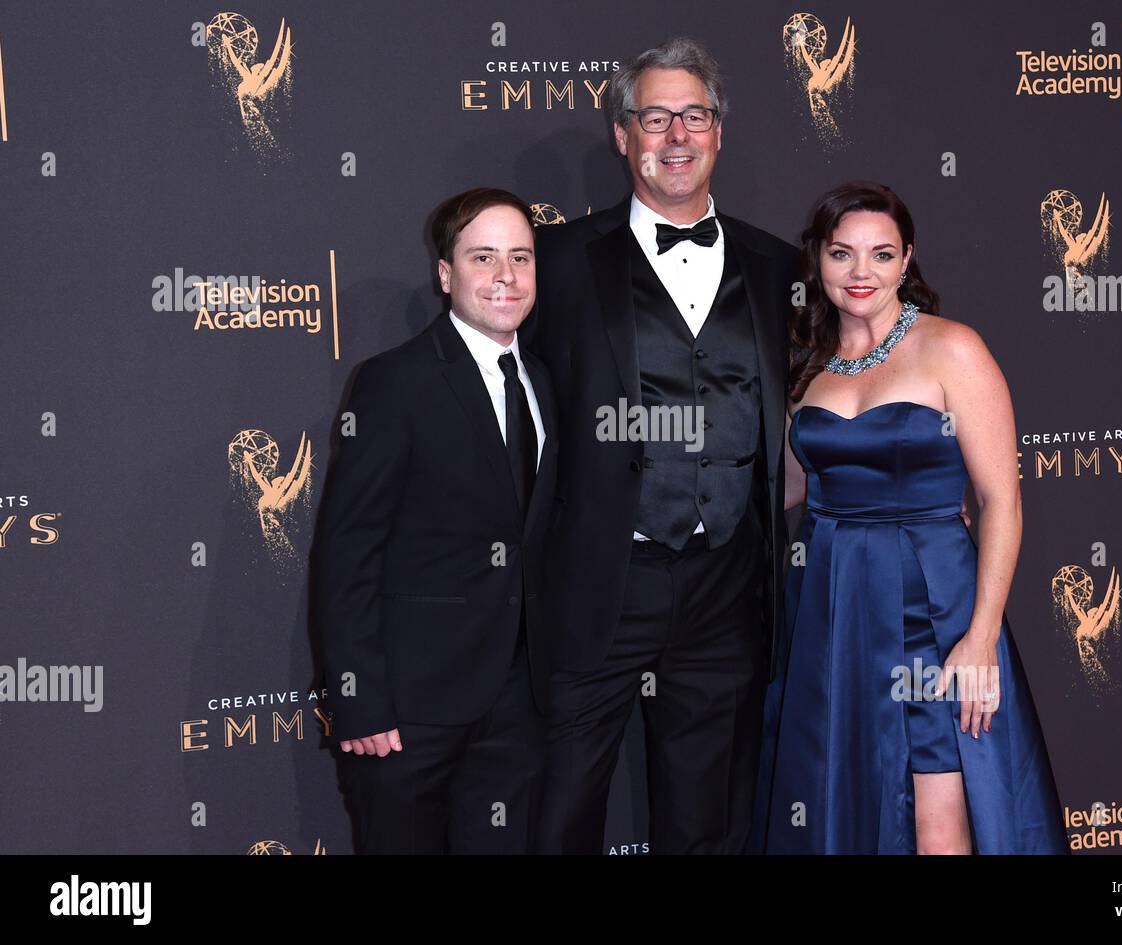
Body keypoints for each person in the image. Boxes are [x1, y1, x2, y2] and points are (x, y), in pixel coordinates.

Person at [523, 37, 800, 853]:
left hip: (728, 589)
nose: (675, 136)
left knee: (705, 824)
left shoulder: (780, 265)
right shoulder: (558, 260)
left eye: (694, 116)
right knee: (560, 815)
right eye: (655, 117)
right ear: (622, 135)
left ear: (720, 131)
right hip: (602, 584)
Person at [751, 181, 1069, 854]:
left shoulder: (952, 348)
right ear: (819, 261)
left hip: (933, 604)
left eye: (880, 254)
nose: (861, 272)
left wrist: (981, 637)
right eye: (843, 254)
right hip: (831, 605)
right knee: (845, 796)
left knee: (936, 815)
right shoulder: (809, 366)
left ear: (907, 259)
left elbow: (1002, 501)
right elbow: (784, 487)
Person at [313, 188, 557, 853]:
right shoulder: (395, 383)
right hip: (407, 714)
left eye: (521, 257)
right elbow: (346, 552)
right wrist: (359, 700)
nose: (506, 276)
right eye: (484, 257)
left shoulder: (541, 380)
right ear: (445, 274)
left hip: (516, 709)